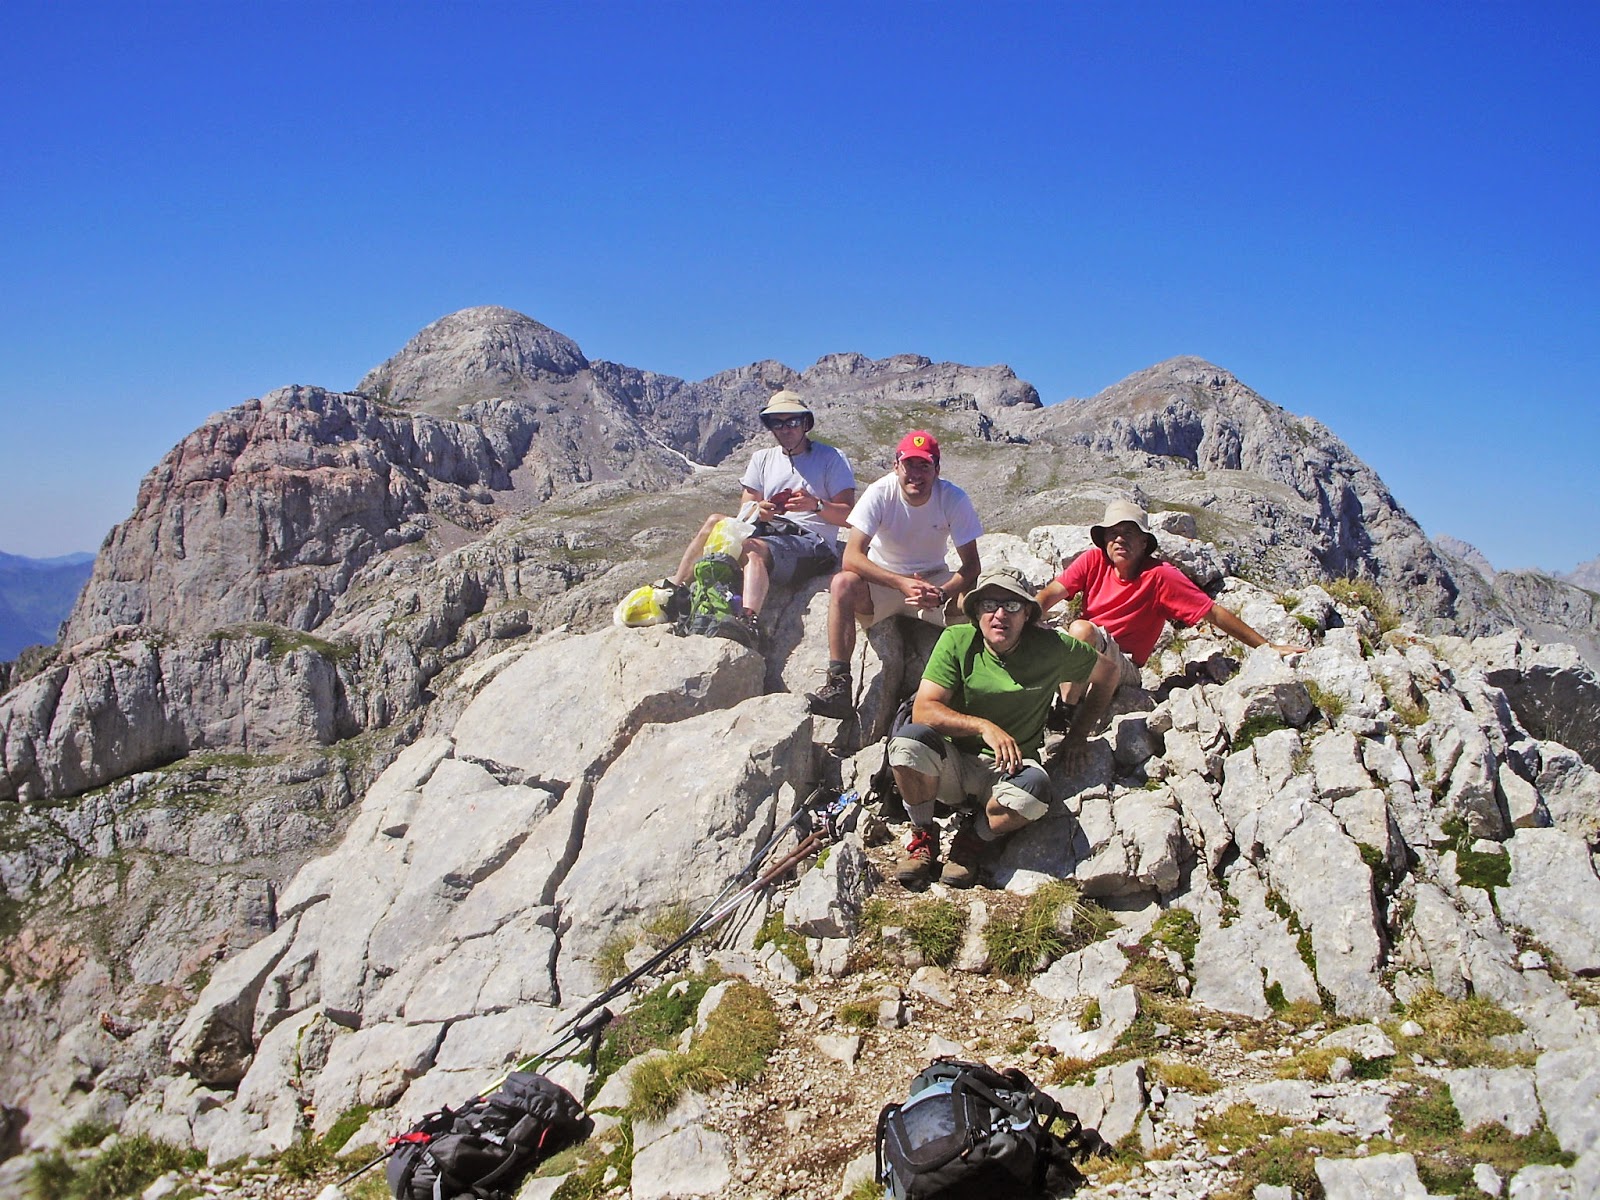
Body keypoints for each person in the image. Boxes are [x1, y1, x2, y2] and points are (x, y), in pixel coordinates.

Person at [886, 566, 1122, 888]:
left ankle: (972, 839)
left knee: (1035, 794)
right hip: (952, 764)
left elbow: (1109, 674)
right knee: (908, 743)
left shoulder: (1052, 648)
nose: (1000, 614)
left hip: (1009, 769)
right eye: (989, 604)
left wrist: (1078, 735)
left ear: (1027, 614)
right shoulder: (957, 640)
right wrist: (982, 726)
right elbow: (924, 709)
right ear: (976, 611)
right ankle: (923, 834)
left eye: (1011, 605)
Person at [1034, 499, 1302, 740]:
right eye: (1113, 533)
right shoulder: (1093, 560)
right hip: (1086, 652)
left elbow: (1212, 612)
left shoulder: (1161, 576)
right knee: (1045, 634)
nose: (1119, 539)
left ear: (1144, 542)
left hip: (1122, 665)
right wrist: (1027, 620)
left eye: (1129, 533)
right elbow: (1050, 594)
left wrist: (1267, 647)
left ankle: (1063, 715)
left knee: (1080, 631)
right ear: (1104, 540)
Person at [806, 430, 982, 719]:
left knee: (976, 598)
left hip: (933, 583)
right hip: (884, 583)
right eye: (909, 465)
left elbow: (972, 565)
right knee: (842, 583)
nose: (916, 474)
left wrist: (942, 593)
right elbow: (851, 557)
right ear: (896, 466)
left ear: (937, 470)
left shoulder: (953, 498)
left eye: (924, 466)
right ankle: (839, 685)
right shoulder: (880, 492)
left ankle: (973, 687)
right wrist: (901, 583)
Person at [666, 391, 855, 640]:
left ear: (805, 423)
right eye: (778, 423)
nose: (786, 429)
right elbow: (746, 508)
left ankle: (748, 619)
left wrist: (816, 505)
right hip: (770, 530)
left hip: (813, 542)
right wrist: (758, 511)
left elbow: (849, 516)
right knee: (715, 522)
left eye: (793, 422)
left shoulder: (831, 458)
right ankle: (674, 591)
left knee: (751, 547)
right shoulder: (762, 458)